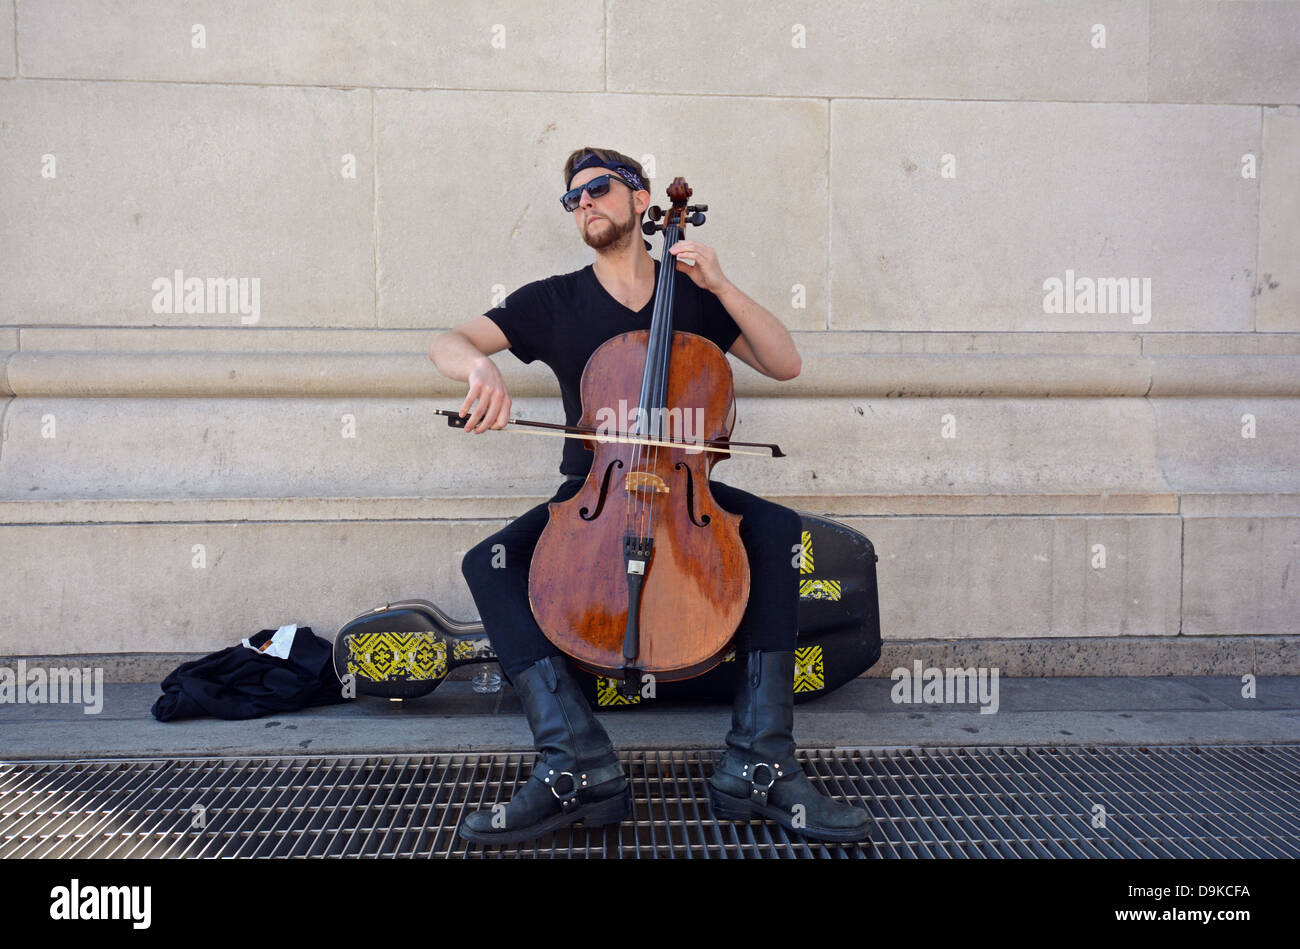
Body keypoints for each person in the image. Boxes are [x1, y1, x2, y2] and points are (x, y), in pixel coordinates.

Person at [427, 147, 869, 845]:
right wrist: (481, 368)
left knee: (779, 528)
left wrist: (722, 286)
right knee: (490, 561)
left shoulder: (692, 293)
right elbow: (446, 341)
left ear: (641, 199)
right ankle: (576, 761)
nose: (584, 205)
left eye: (597, 190)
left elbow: (785, 363)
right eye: (572, 199)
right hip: (592, 493)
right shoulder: (554, 300)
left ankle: (760, 763)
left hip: (687, 494)